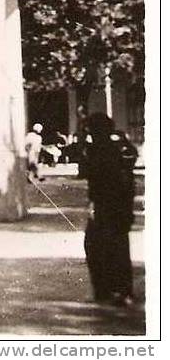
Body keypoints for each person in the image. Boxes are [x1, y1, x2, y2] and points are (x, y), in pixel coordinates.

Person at [80, 113, 137, 307]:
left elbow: (119, 180)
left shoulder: (106, 151)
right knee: (107, 248)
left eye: (91, 130)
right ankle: (113, 290)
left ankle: (113, 290)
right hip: (112, 207)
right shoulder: (112, 149)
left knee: (105, 247)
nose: (89, 134)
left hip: (110, 207)